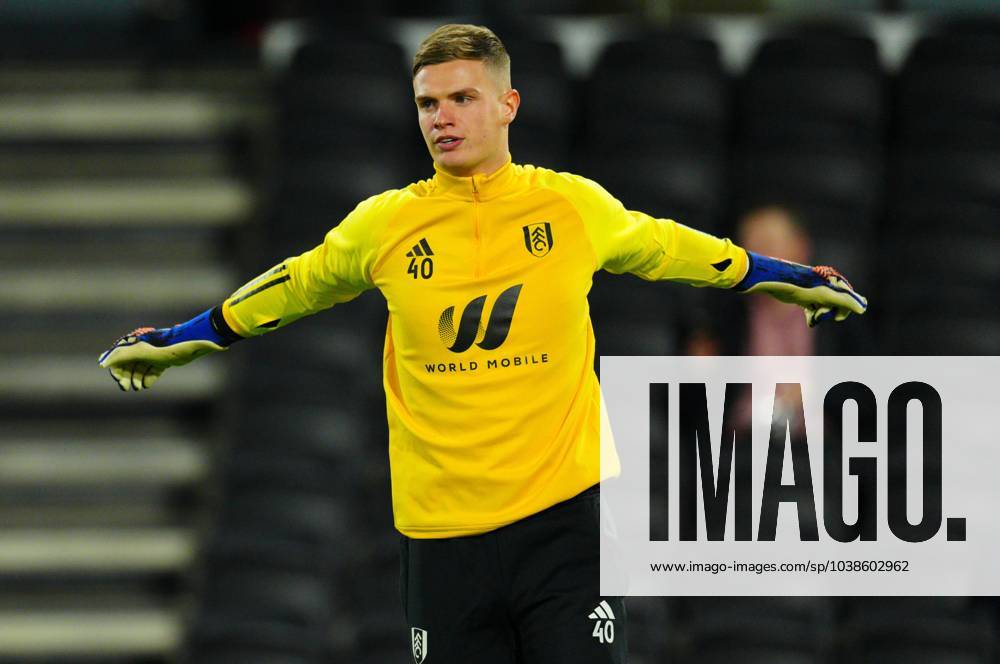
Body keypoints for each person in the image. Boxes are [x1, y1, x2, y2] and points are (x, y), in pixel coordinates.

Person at [98, 24, 867, 664]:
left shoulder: (569, 208)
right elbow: (291, 286)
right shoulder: (385, 225)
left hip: (565, 522)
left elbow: (676, 248)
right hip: (443, 536)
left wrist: (783, 277)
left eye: (462, 98)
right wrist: (182, 341)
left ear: (508, 105)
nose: (442, 117)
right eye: (428, 103)